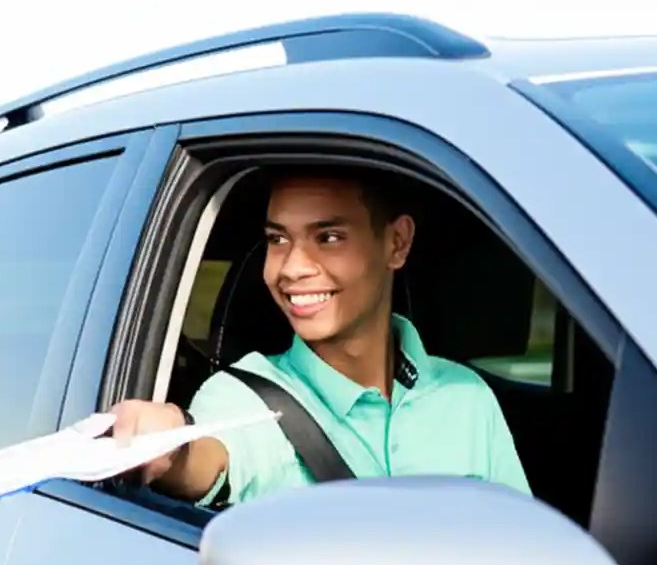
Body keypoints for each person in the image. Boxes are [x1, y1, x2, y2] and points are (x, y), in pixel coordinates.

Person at [110, 165, 532, 509]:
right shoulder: (244, 399)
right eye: (278, 239)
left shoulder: (466, 397)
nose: (292, 267)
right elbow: (210, 460)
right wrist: (172, 445)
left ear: (397, 243)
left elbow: (521, 556)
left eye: (328, 238)